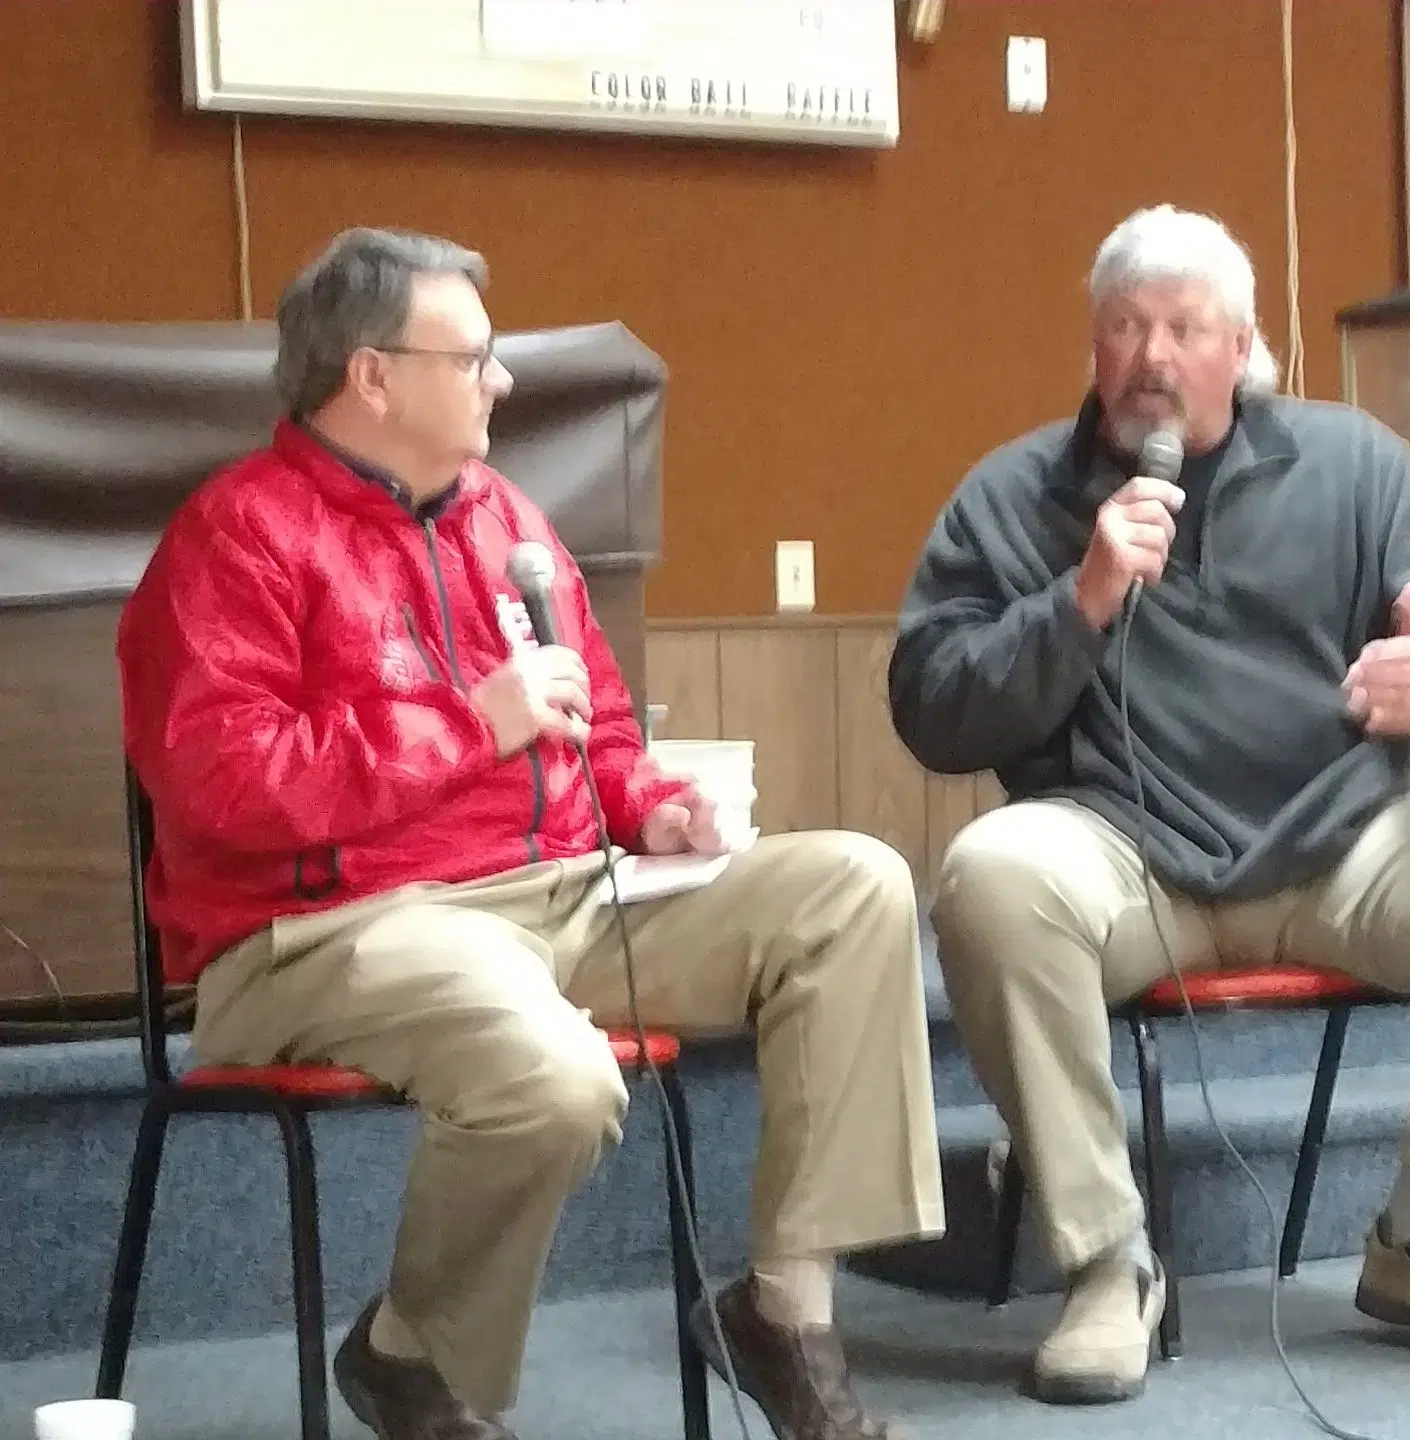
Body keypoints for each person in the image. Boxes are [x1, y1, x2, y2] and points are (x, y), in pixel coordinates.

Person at [116, 227, 941, 1440]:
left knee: (854, 886)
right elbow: (220, 785)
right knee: (559, 1077)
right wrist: (465, 726)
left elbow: (597, 726)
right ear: (373, 374)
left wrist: (648, 805)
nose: (502, 381)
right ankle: (409, 1355)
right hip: (327, 935)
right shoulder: (237, 536)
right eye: (478, 357)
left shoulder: (508, 519)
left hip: (558, 898)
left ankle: (782, 1315)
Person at [886, 205, 1410, 1406]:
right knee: (993, 878)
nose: (1152, 356)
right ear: (1094, 347)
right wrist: (1082, 599)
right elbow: (932, 703)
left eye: (1183, 328)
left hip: (1341, 843)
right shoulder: (1013, 499)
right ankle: (1106, 1261)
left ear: (1243, 348)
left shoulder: (1354, 463)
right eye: (1125, 326)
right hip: (1124, 849)